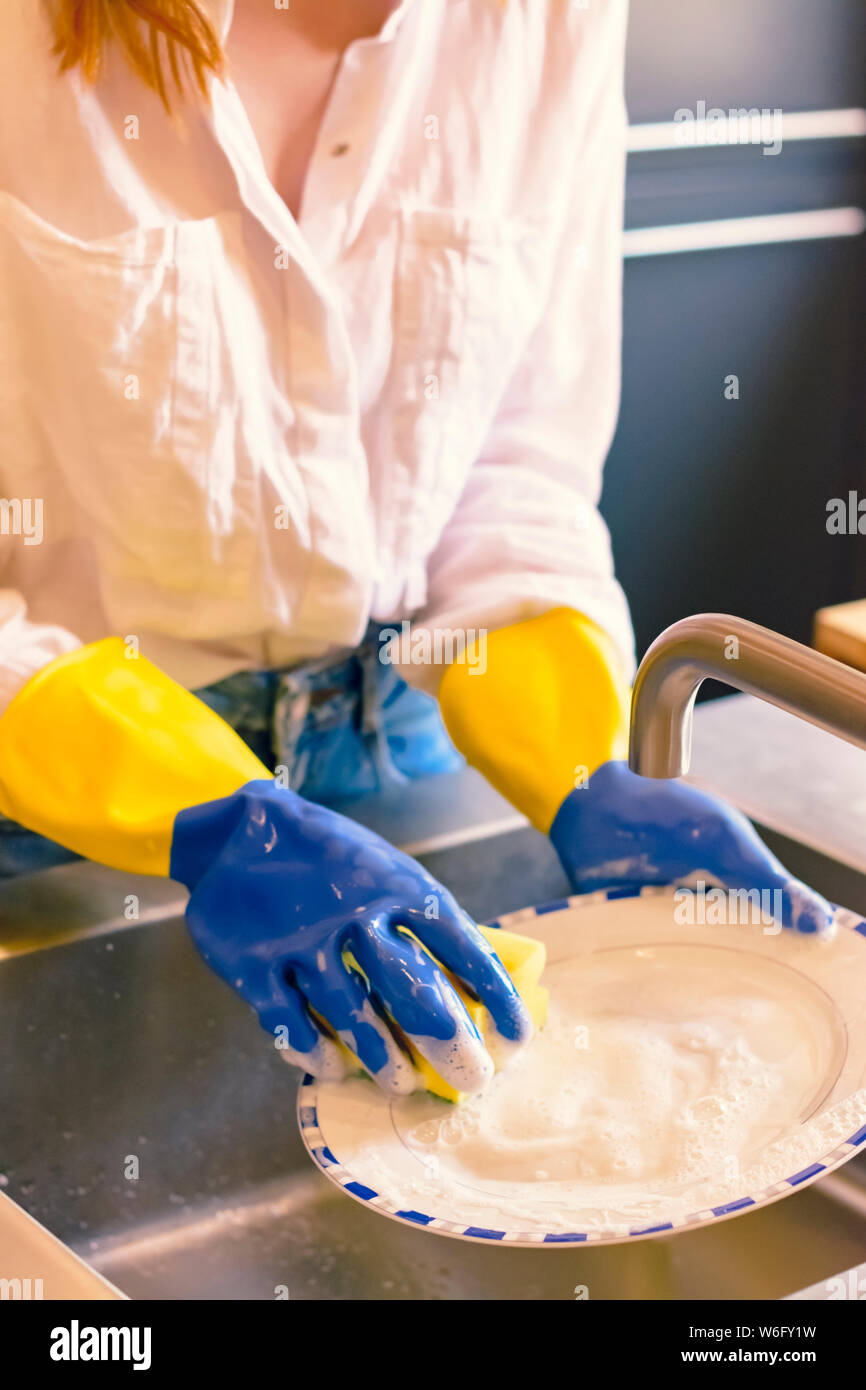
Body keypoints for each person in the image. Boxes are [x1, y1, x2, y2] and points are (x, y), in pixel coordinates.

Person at [0, 0, 832, 1095]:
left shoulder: (550, 20)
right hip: (46, 836)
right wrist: (198, 810)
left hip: (400, 762)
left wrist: (572, 762)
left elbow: (511, 459)